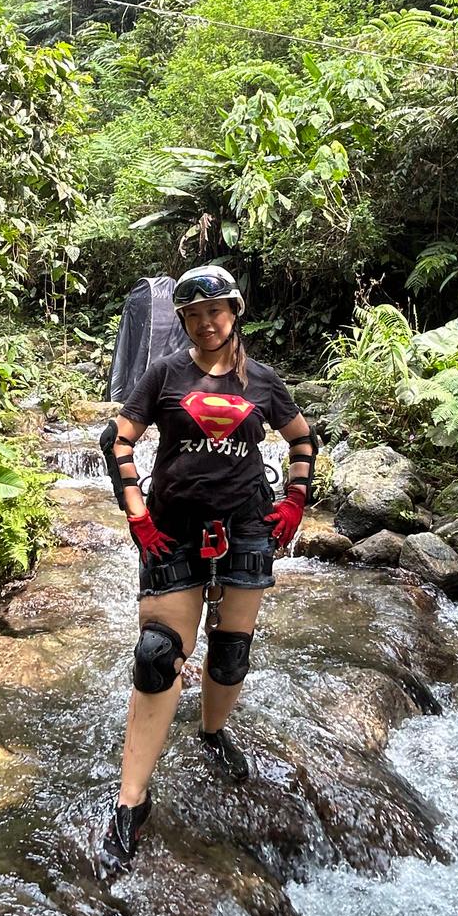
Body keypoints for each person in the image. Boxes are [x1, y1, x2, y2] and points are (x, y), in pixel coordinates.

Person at [98, 264, 317, 870]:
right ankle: (130, 801)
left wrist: (295, 501)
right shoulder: (164, 374)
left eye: (215, 311)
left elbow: (303, 440)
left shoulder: (264, 382)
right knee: (156, 654)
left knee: (230, 651)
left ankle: (213, 732)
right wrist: (137, 514)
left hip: (247, 525)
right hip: (172, 529)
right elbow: (116, 440)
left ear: (235, 312)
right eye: (193, 316)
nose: (205, 323)